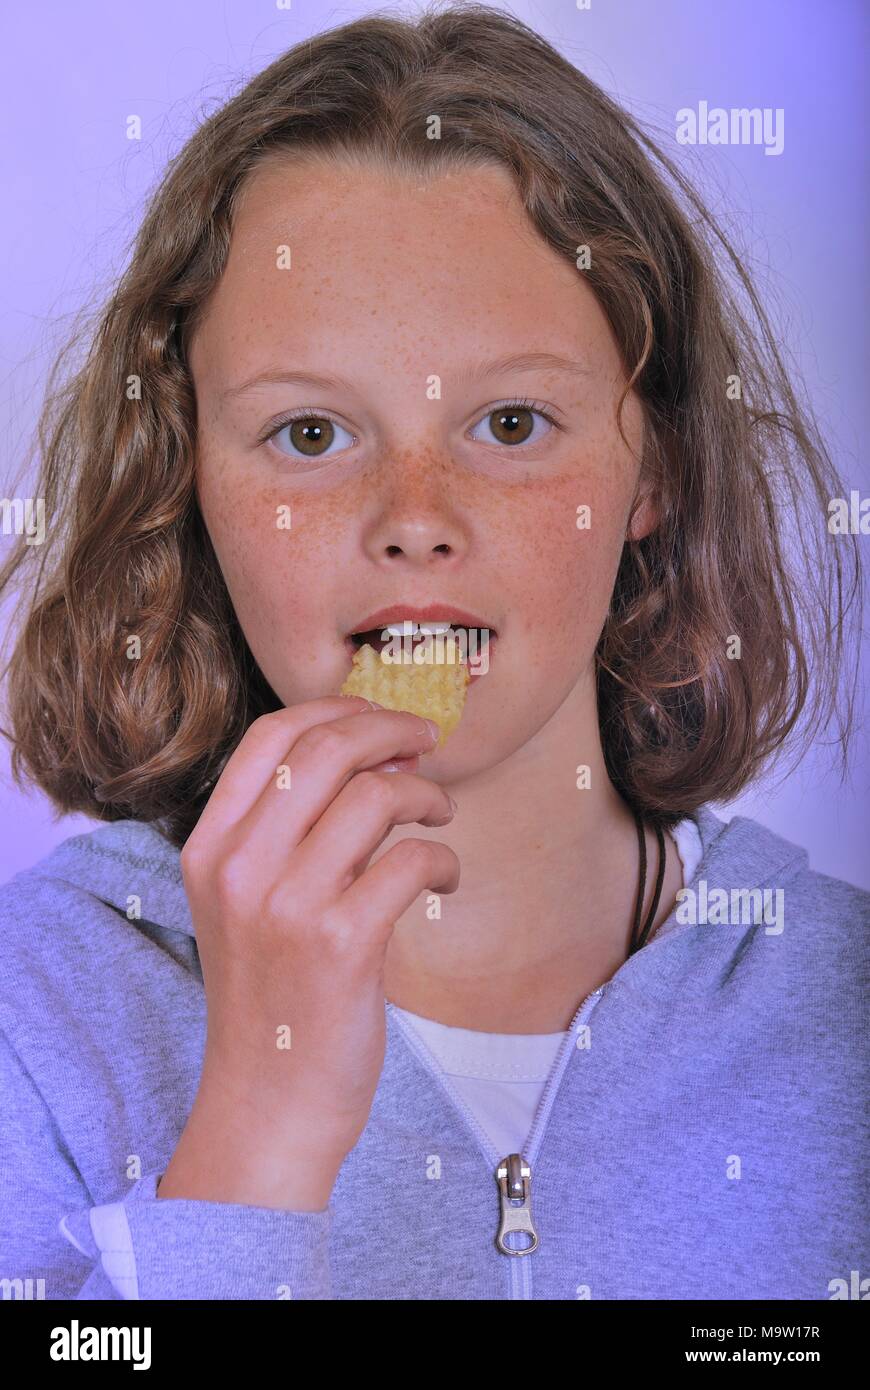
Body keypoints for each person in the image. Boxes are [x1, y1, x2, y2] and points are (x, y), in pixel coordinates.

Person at [0, 4, 866, 1301]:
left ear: (658, 466)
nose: (414, 518)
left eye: (509, 421)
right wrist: (255, 1134)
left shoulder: (838, 1010)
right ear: (188, 477)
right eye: (307, 434)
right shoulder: (37, 1009)